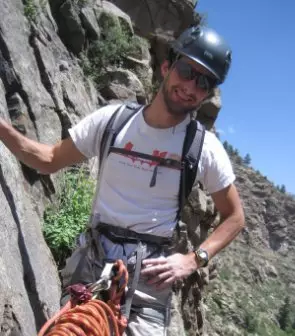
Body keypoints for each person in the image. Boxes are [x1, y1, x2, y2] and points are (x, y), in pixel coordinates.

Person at [0, 25, 245, 335]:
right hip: (91, 265)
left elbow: (235, 217)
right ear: (167, 67)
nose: (191, 86)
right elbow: (48, 160)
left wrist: (193, 261)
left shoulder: (203, 148)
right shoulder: (113, 121)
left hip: (149, 281)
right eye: (186, 71)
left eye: (204, 82)